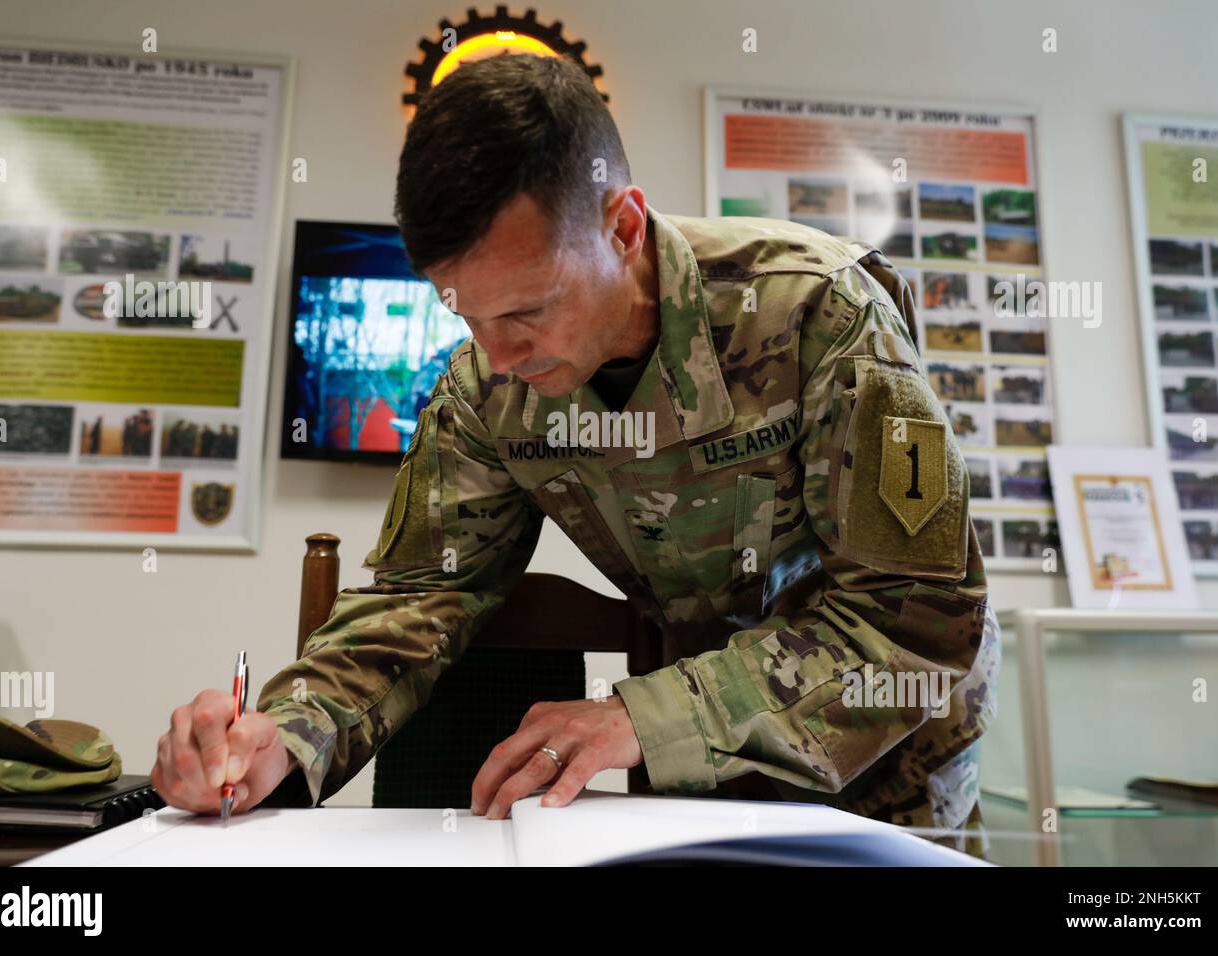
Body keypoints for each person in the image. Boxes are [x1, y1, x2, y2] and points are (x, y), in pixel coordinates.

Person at [151, 53, 999, 856]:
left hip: (884, 765)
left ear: (622, 227)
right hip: (690, 764)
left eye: (527, 311)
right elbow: (424, 595)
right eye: (465, 316)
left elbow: (914, 615)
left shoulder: (818, 314)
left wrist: (642, 717)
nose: (500, 354)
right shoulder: (485, 384)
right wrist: (283, 734)